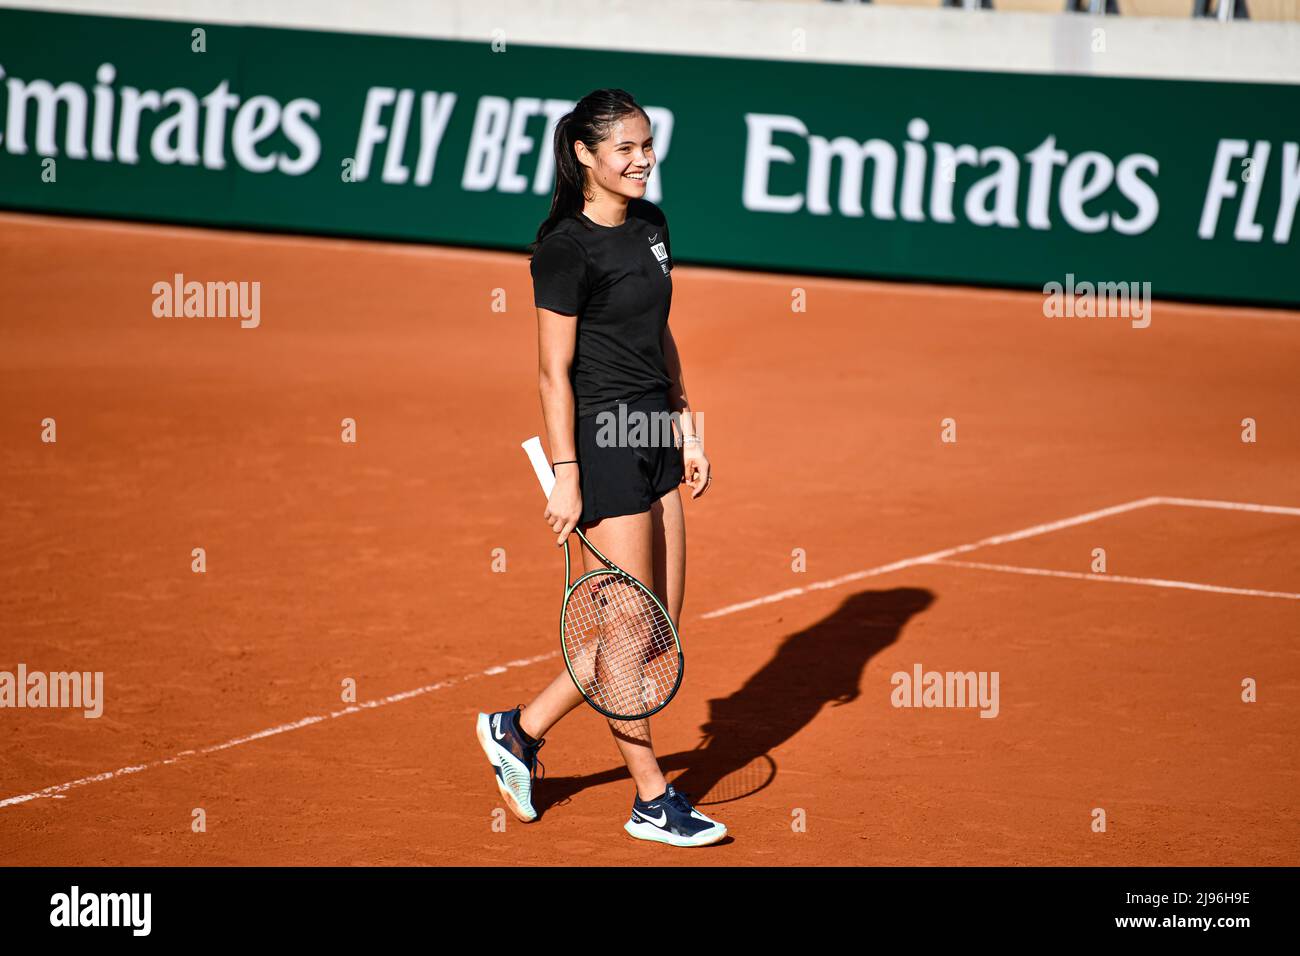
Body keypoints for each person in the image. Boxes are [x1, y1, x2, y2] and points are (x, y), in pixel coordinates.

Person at [475, 88, 725, 847]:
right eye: (625, 148)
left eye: (647, 144)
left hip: (653, 426)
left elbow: (659, 329)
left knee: (656, 631)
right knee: (627, 630)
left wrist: (686, 425)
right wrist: (567, 472)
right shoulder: (564, 250)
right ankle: (652, 799)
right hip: (602, 443)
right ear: (585, 155)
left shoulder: (651, 225)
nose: (643, 159)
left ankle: (519, 728)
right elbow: (553, 373)